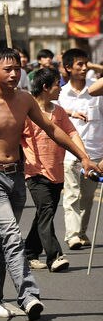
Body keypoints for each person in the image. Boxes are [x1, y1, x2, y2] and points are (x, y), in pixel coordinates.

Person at [0, 48, 99, 321]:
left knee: (0, 239)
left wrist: (83, 157)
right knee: (11, 234)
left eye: (17, 69)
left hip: (16, 176)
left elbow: (52, 128)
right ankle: (28, 295)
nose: (14, 74)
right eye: (7, 69)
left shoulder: (25, 99)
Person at [23, 68, 78, 273]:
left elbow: (72, 133)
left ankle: (29, 252)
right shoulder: (27, 112)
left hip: (56, 171)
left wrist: (85, 157)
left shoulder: (59, 112)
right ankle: (54, 256)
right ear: (45, 87)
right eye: (57, 84)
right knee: (46, 211)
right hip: (35, 172)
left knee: (43, 214)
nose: (60, 88)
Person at [58, 48, 103, 250]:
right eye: (80, 64)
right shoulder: (61, 94)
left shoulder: (97, 90)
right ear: (68, 68)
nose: (85, 68)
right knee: (71, 195)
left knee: (87, 197)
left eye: (86, 64)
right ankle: (73, 235)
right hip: (71, 153)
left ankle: (82, 232)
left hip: (96, 153)